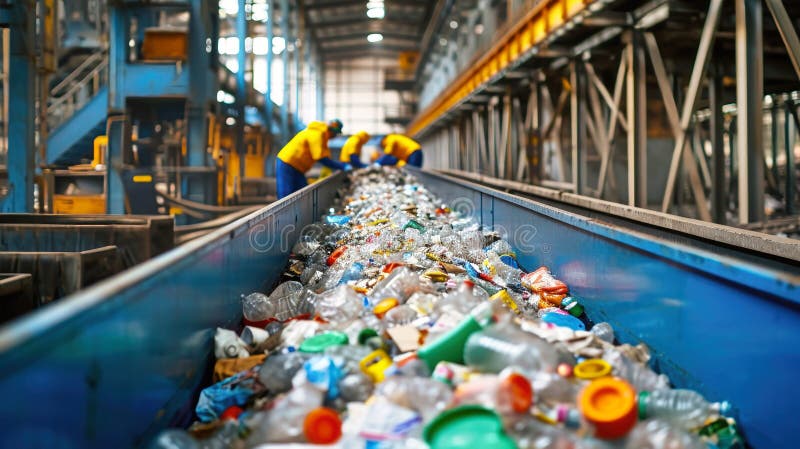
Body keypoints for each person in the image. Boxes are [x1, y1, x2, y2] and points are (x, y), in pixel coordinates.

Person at [276, 119, 350, 199]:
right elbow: (321, 158)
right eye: (336, 134)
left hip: (298, 167)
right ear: (332, 131)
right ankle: (285, 211)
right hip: (287, 163)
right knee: (286, 195)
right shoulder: (317, 134)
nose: (335, 136)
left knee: (303, 192)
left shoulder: (322, 136)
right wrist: (341, 166)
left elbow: (325, 155)